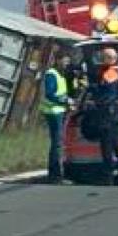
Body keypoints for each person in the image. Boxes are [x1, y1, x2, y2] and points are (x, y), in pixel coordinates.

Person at [91, 47, 118, 186]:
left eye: (104, 57)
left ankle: (108, 178)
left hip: (107, 113)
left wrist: (95, 94)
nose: (101, 60)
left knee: (107, 147)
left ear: (110, 59)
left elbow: (108, 94)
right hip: (115, 113)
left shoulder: (110, 73)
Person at [40, 51, 72, 183]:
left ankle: (56, 174)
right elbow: (50, 94)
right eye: (65, 60)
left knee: (58, 143)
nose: (67, 63)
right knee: (57, 144)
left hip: (59, 111)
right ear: (58, 60)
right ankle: (55, 175)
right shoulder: (51, 74)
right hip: (53, 112)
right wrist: (65, 101)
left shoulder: (61, 74)